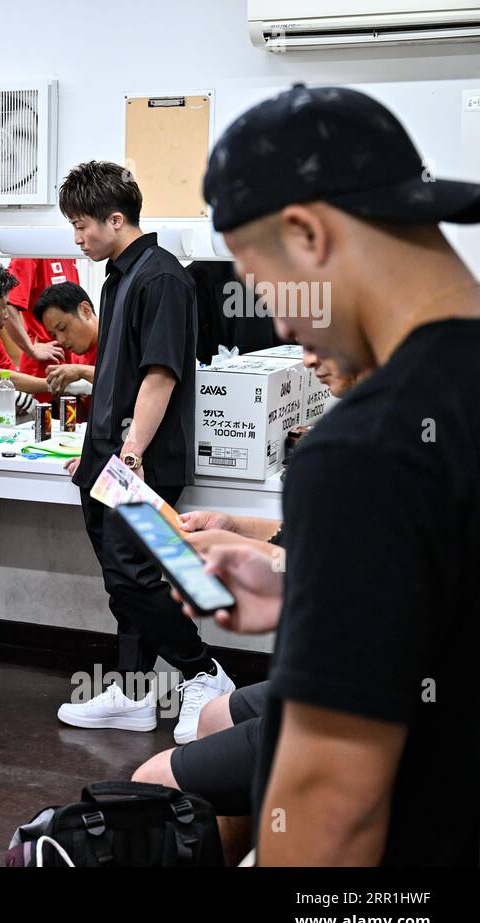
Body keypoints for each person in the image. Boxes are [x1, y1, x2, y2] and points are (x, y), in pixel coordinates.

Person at [187, 84, 480, 865]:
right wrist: (315, 587)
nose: (280, 323)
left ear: (307, 233)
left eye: (260, 280)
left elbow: (329, 803)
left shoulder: (367, 445)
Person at [131, 351, 366, 865]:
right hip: (324, 679)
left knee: (150, 783)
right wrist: (239, 528)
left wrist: (275, 570)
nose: (306, 355)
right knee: (214, 716)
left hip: (355, 709)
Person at [53, 160, 234, 745]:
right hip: (106, 456)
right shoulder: (116, 276)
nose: (77, 238)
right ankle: (132, 694)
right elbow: (118, 371)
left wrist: (129, 455)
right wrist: (94, 450)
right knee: (118, 575)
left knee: (134, 576)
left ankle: (203, 672)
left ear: (115, 217)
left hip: (141, 462)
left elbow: (160, 377)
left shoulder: (161, 279)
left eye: (82, 225)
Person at [8, 257, 81, 393]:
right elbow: (8, 305)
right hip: (42, 371)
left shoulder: (68, 250)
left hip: (70, 365)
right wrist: (31, 349)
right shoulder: (30, 251)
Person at [0, 263, 54, 399]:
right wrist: (55, 385)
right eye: (4, 307)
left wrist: (19, 398)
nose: (7, 315)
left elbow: (10, 378)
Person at [34, 281, 100, 395]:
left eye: (63, 328)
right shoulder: (76, 358)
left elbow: (128, 381)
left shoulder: (119, 342)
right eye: (53, 335)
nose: (60, 340)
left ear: (85, 310)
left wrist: (81, 372)